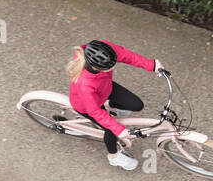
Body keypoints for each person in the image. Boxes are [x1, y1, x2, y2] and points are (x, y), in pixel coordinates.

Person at [68, 39, 164, 171]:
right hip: (87, 106)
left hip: (104, 88)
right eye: (108, 68)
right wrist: (119, 130)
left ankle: (113, 108)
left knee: (136, 105)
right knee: (111, 130)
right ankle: (114, 157)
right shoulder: (84, 84)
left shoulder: (106, 52)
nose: (112, 68)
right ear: (95, 67)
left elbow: (125, 55)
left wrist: (151, 65)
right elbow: (95, 111)